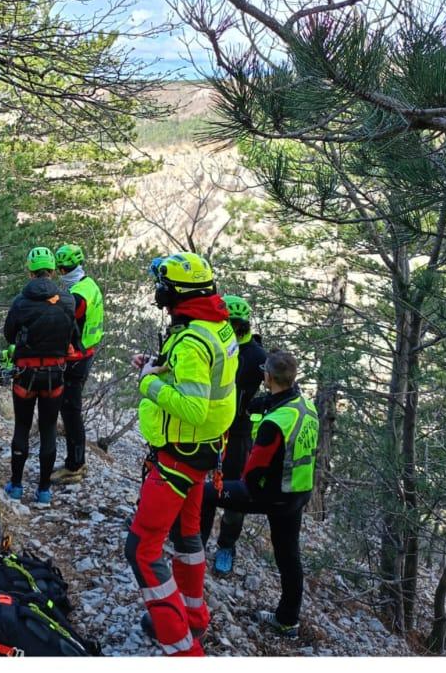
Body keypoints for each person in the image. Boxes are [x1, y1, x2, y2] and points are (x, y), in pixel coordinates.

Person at [125, 252, 239, 656]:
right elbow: (203, 381)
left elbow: (193, 406)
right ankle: (193, 618)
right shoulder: (215, 325)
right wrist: (159, 366)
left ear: (170, 293)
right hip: (203, 453)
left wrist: (147, 384)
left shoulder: (192, 339)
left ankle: (183, 649)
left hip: (179, 456)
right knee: (187, 536)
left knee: (140, 549)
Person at [201, 349, 318, 639]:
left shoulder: (273, 424)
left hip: (269, 495)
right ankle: (287, 621)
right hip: (298, 492)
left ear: (266, 376)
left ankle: (193, 555)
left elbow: (252, 473)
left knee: (206, 493)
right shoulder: (305, 405)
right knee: (289, 557)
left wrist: (237, 487)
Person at [1, 246, 76, 506]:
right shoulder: (67, 300)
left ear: (30, 272)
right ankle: (44, 491)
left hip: (25, 375)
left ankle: (16, 486)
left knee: (22, 426)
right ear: (53, 270)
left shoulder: (21, 302)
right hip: (55, 375)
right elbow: (73, 338)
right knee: (47, 429)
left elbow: (9, 335)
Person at [208, 294, 267, 575]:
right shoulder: (216, 342)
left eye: (235, 323)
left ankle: (226, 545)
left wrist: (259, 406)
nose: (230, 327)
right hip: (210, 426)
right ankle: (196, 537)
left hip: (240, 432)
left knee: (235, 490)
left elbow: (279, 386)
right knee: (205, 483)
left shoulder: (257, 357)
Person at [49, 244, 103, 485]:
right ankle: (76, 461)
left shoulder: (78, 295)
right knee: (72, 410)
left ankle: (75, 465)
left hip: (76, 358)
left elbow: (69, 322)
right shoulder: (88, 284)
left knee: (71, 412)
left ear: (61, 269)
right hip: (86, 351)